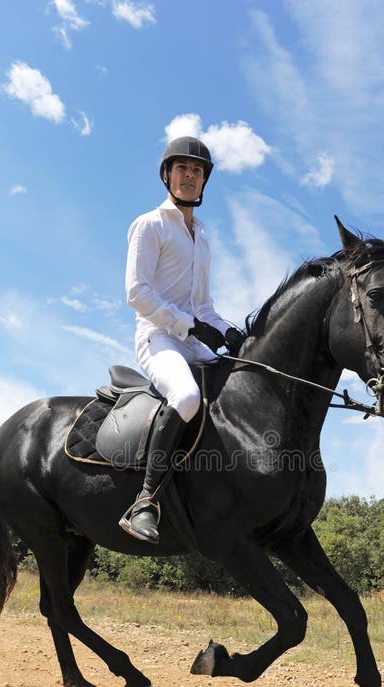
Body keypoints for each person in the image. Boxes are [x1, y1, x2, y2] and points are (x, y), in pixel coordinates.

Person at [119, 135, 244, 543]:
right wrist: (186, 325)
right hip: (158, 338)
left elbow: (203, 305)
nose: (190, 176)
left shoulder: (203, 238)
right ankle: (145, 501)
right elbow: (137, 292)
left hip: (192, 339)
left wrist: (227, 331)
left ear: (204, 181)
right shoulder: (149, 224)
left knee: (237, 381)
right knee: (188, 398)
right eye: (183, 169)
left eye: (198, 171)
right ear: (167, 175)